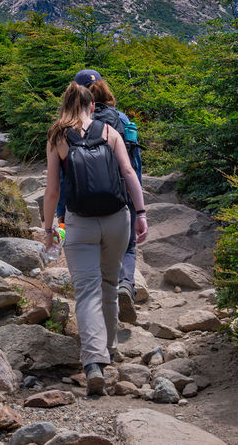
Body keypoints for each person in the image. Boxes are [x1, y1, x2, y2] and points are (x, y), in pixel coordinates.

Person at [44, 82, 148, 395]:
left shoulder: (57, 137)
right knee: (109, 282)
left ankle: (93, 364)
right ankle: (109, 347)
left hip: (79, 223)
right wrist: (141, 213)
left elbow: (52, 190)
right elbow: (129, 173)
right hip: (118, 219)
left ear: (65, 106)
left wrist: (48, 229)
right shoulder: (109, 131)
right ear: (92, 106)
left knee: (86, 291)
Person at [57, 69, 146, 323]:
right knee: (127, 247)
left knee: (89, 254)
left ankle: (96, 314)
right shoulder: (121, 119)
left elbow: (64, 177)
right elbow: (133, 165)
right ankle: (125, 285)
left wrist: (60, 214)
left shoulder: (69, 126)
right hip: (120, 198)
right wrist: (139, 207)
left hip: (81, 202)